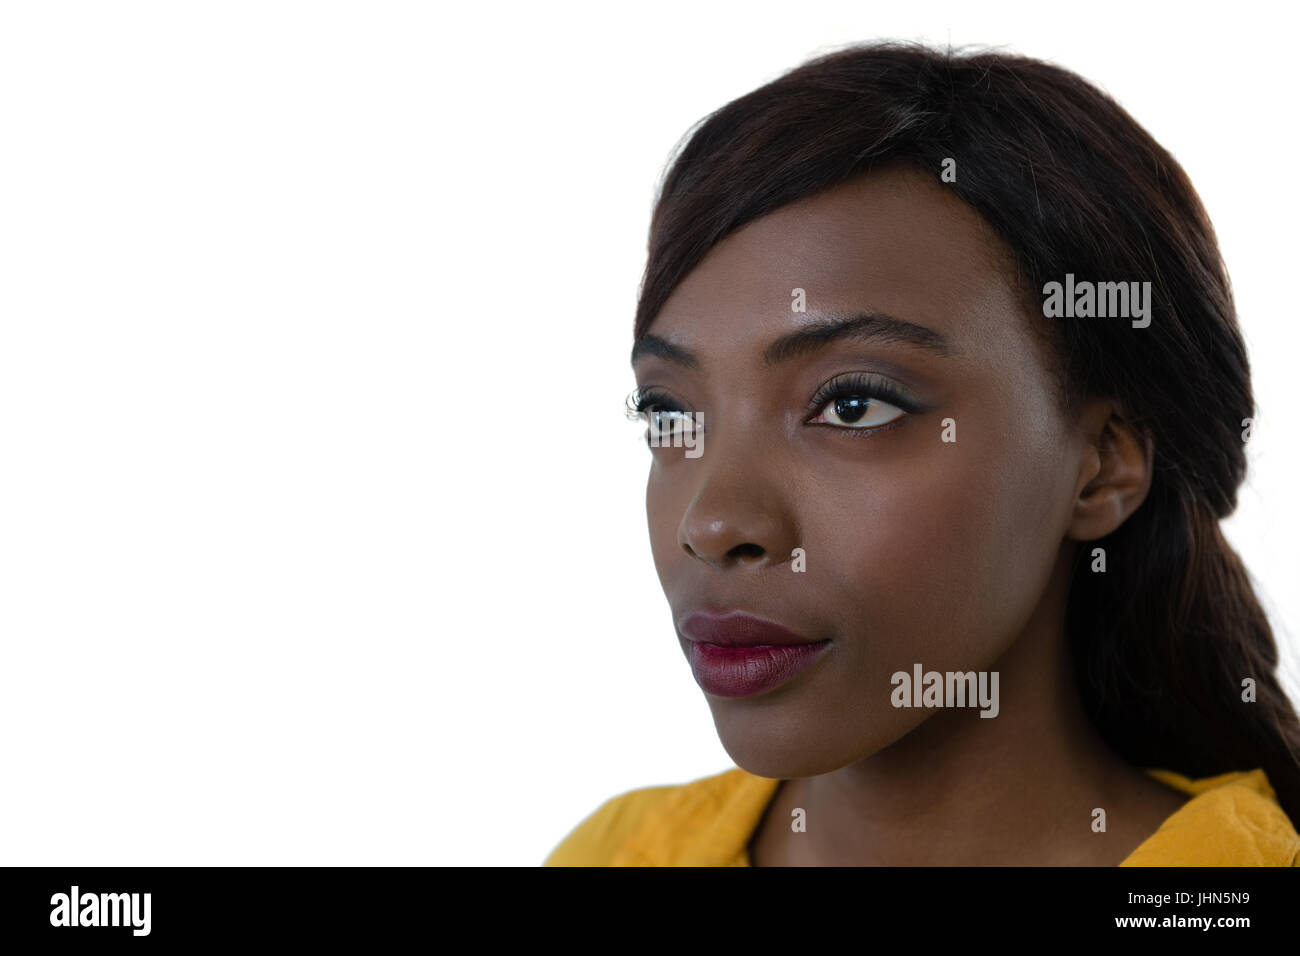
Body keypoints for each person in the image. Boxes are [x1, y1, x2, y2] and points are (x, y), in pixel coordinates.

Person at [545, 41, 1300, 866]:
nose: (714, 521)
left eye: (853, 404)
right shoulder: (616, 853)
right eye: (671, 413)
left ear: (1105, 463)